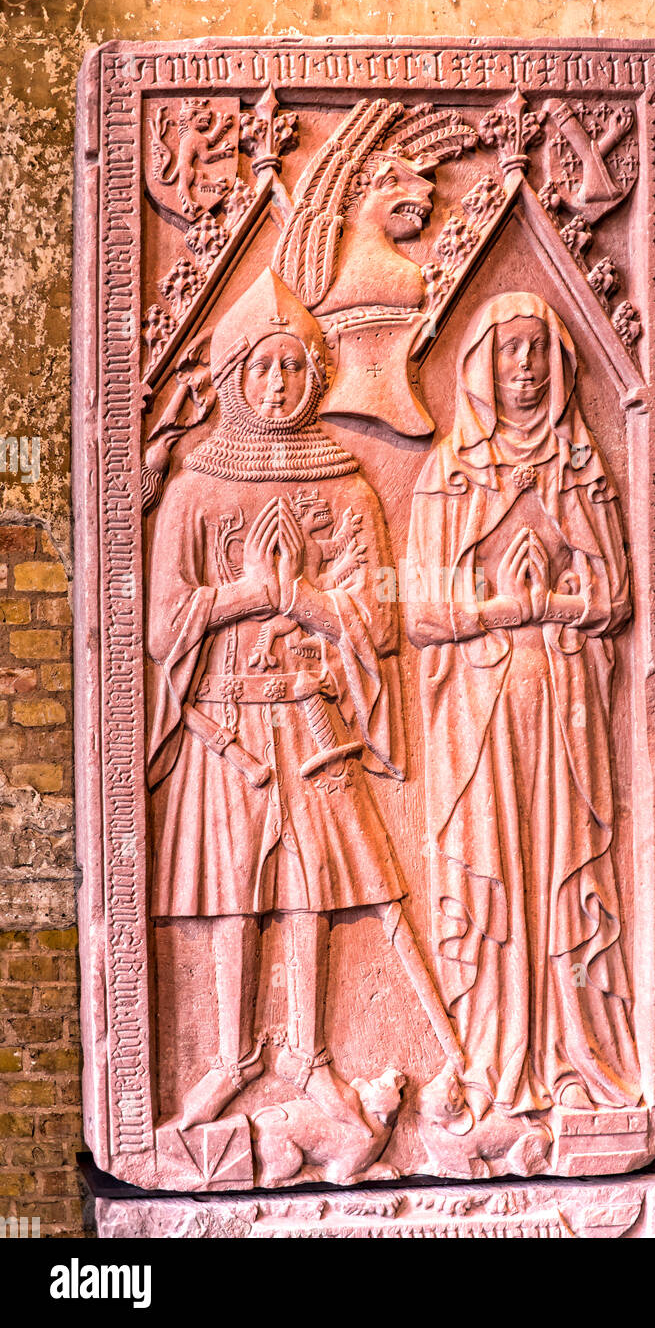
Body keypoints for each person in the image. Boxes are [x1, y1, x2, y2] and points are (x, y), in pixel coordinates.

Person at [146, 267, 406, 1131]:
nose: (279, 384)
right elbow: (162, 627)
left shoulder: (345, 484)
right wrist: (251, 592)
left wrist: (302, 601)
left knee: (309, 888)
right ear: (232, 375)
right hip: (226, 723)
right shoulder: (193, 487)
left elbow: (380, 615)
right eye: (262, 368)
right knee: (232, 895)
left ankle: (309, 1055)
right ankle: (230, 1056)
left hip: (309, 716)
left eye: (295, 367)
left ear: (318, 375)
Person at [406, 291, 641, 1119]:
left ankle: (572, 1048)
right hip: (480, 712)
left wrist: (563, 603)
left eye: (539, 350)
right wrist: (501, 610)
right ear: (482, 365)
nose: (527, 369)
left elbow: (617, 594)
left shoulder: (581, 466)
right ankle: (500, 1051)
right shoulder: (450, 471)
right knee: (497, 876)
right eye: (511, 351)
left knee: (562, 871)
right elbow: (422, 612)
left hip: (568, 706)